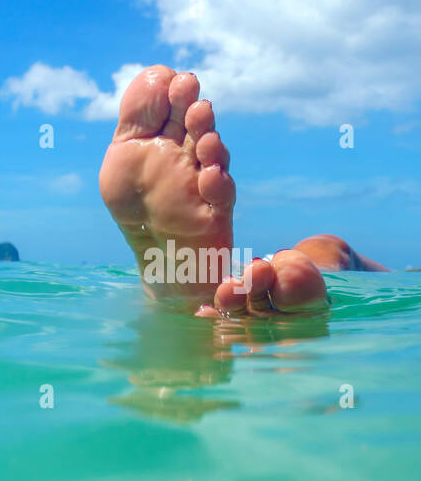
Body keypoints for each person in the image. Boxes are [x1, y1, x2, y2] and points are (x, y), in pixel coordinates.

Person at [99, 66, 387, 317]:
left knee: (322, 250)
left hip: (235, 273)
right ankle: (281, 301)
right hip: (248, 274)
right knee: (326, 248)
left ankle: (183, 285)